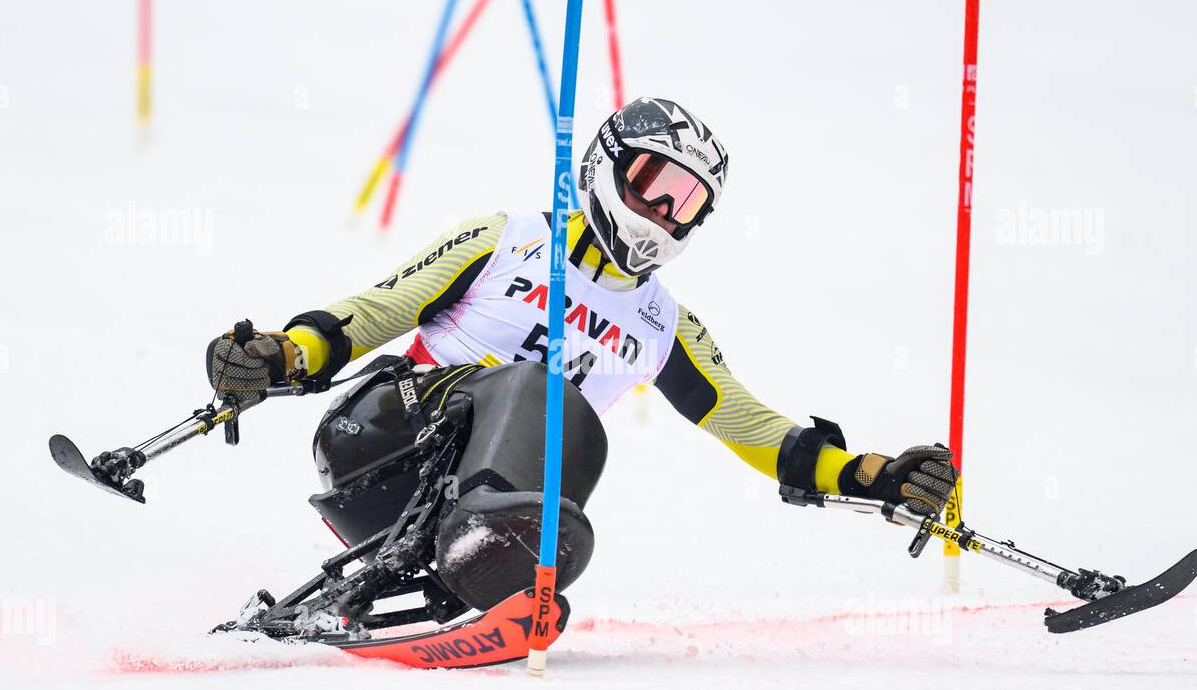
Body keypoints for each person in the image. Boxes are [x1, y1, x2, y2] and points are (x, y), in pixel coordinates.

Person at [208, 97, 955, 609]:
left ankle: (494, 561)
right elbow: (372, 312)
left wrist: (870, 475)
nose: (664, 213)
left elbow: (752, 426)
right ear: (606, 164)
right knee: (543, 388)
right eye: (654, 184)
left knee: (576, 431)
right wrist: (281, 353)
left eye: (687, 203)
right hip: (378, 442)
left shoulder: (664, 326)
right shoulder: (508, 241)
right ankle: (497, 533)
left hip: (447, 511)